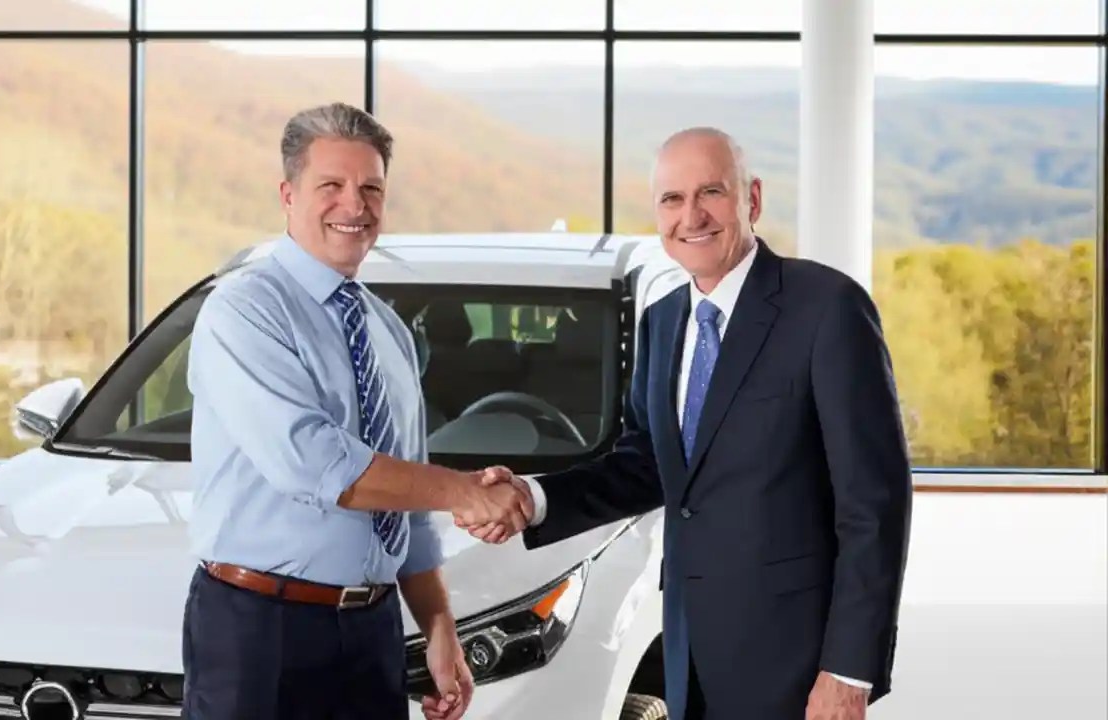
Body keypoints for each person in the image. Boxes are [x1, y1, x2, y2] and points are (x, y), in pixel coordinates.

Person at [461, 127, 913, 720]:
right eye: (672, 199)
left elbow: (874, 504)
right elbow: (646, 464)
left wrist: (848, 671)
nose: (691, 216)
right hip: (686, 653)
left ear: (752, 199)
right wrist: (534, 497)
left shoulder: (826, 308)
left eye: (711, 193)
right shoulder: (664, 320)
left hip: (796, 664)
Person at [182, 102, 534, 720]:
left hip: (372, 631)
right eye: (332, 185)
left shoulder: (388, 332)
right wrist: (465, 492)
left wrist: (438, 625)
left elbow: (408, 506)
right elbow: (315, 462)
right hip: (259, 631)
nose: (355, 205)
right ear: (288, 195)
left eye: (371, 188)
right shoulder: (245, 311)